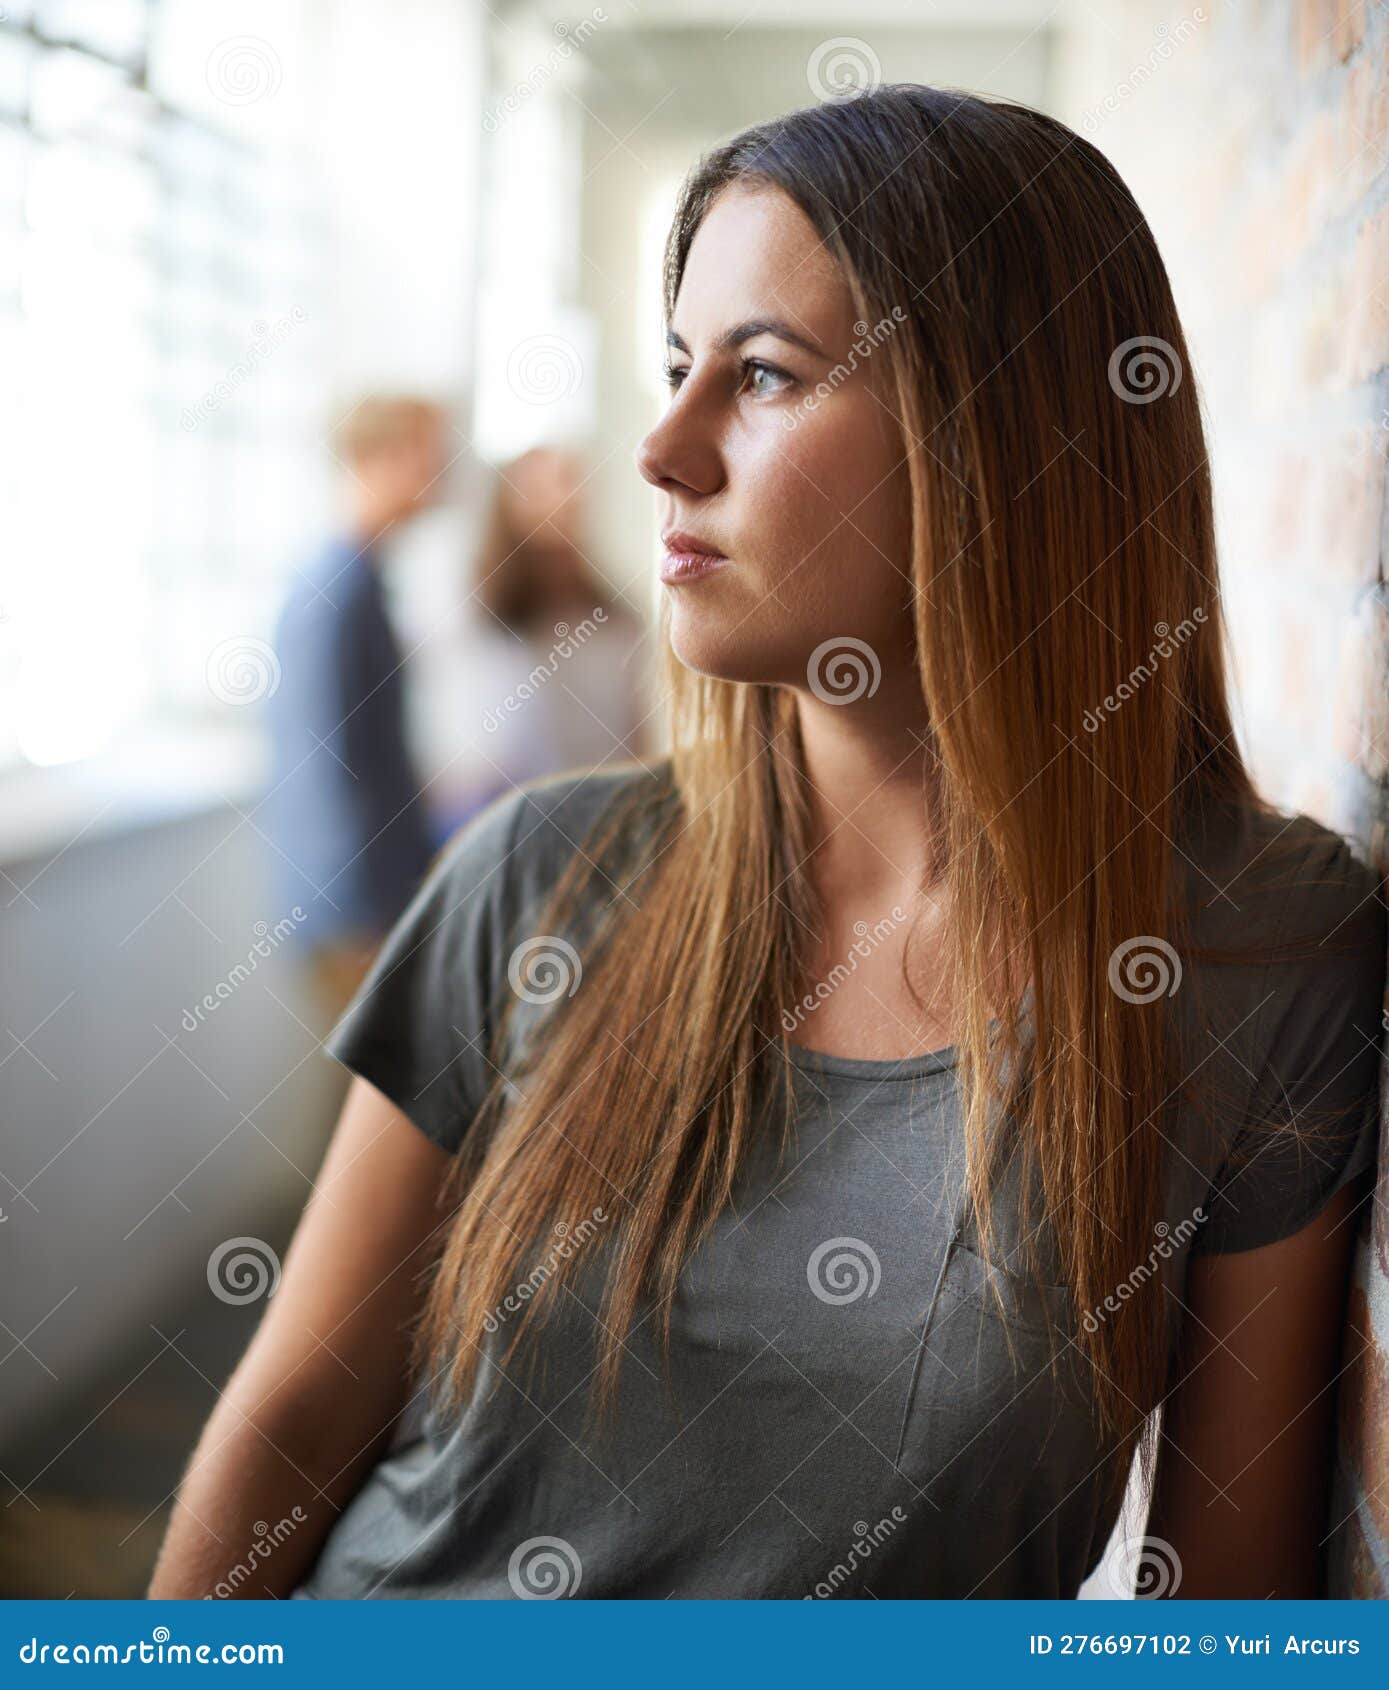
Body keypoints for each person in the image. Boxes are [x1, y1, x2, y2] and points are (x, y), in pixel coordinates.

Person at [149, 87, 1386, 1601]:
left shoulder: (1259, 948)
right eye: (678, 368)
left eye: (766, 375)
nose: (664, 449)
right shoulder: (538, 877)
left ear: (1002, 426)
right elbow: (290, 1424)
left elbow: (1222, 1602)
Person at [260, 396, 448, 1022]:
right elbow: (323, 768)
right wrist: (359, 919)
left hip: (375, 900)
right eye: (428, 450)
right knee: (365, 1102)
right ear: (379, 457)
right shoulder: (336, 588)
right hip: (354, 916)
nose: (443, 469)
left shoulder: (363, 578)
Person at [418, 444, 655, 838]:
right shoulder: (477, 614)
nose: (564, 498)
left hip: (595, 821)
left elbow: (634, 739)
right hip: (494, 824)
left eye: (570, 482)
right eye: (543, 486)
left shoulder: (616, 621)